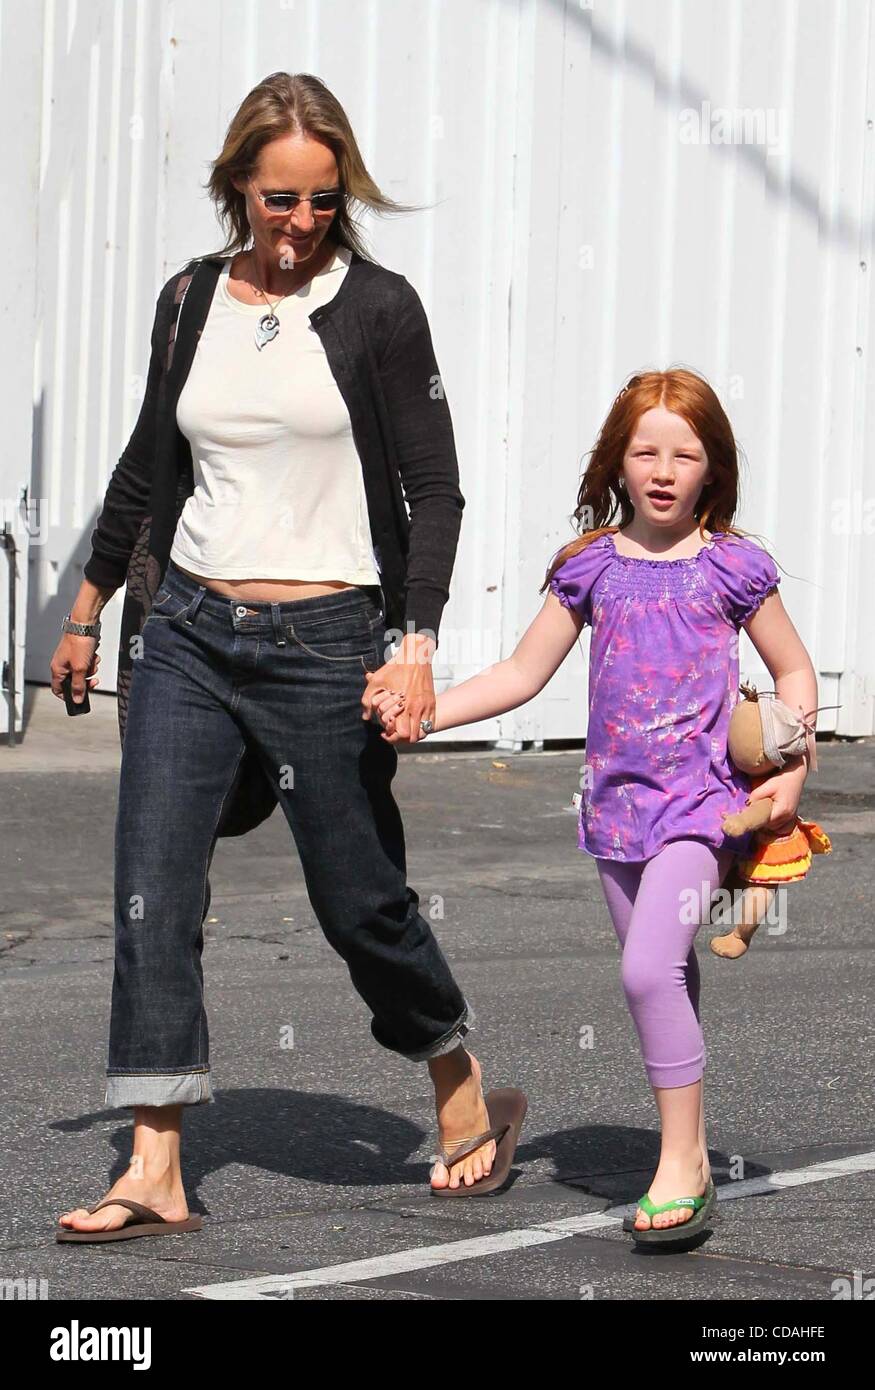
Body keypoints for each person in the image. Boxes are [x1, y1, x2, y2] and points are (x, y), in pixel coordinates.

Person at [54, 72, 525, 1242]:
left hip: (327, 642)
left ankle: (456, 1078)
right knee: (153, 888)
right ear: (236, 185)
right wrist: (85, 602)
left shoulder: (379, 307)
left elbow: (435, 488)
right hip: (189, 635)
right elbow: (146, 464)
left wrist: (415, 641)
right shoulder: (184, 301)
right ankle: (155, 1158)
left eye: (321, 200)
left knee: (357, 899)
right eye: (278, 198)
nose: (299, 222)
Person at [371, 368, 818, 1240]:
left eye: (683, 454)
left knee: (647, 970)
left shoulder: (732, 569)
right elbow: (517, 674)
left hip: (702, 807)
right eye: (643, 450)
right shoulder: (590, 569)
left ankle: (682, 1165)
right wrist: (425, 711)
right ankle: (683, 1142)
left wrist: (788, 775)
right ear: (615, 462)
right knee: (670, 974)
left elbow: (794, 671)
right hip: (616, 814)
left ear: (710, 470)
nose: (661, 469)